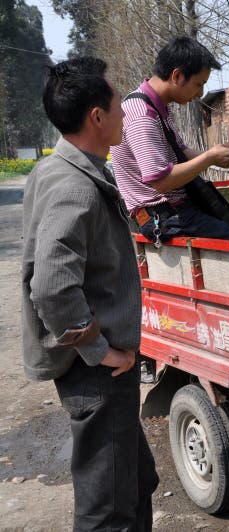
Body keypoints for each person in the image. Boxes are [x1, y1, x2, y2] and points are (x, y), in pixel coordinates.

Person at [22, 57, 159, 530]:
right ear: (96, 117)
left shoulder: (56, 169)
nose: (125, 112)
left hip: (102, 371)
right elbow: (52, 287)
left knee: (138, 483)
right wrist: (101, 352)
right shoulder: (74, 188)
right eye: (119, 102)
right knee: (109, 512)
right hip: (97, 375)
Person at [111, 36, 229, 247]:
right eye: (198, 84)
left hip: (176, 210)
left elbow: (181, 150)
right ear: (177, 76)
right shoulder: (142, 117)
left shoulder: (157, 106)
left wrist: (216, 154)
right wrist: (209, 158)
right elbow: (161, 181)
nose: (200, 93)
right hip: (163, 216)